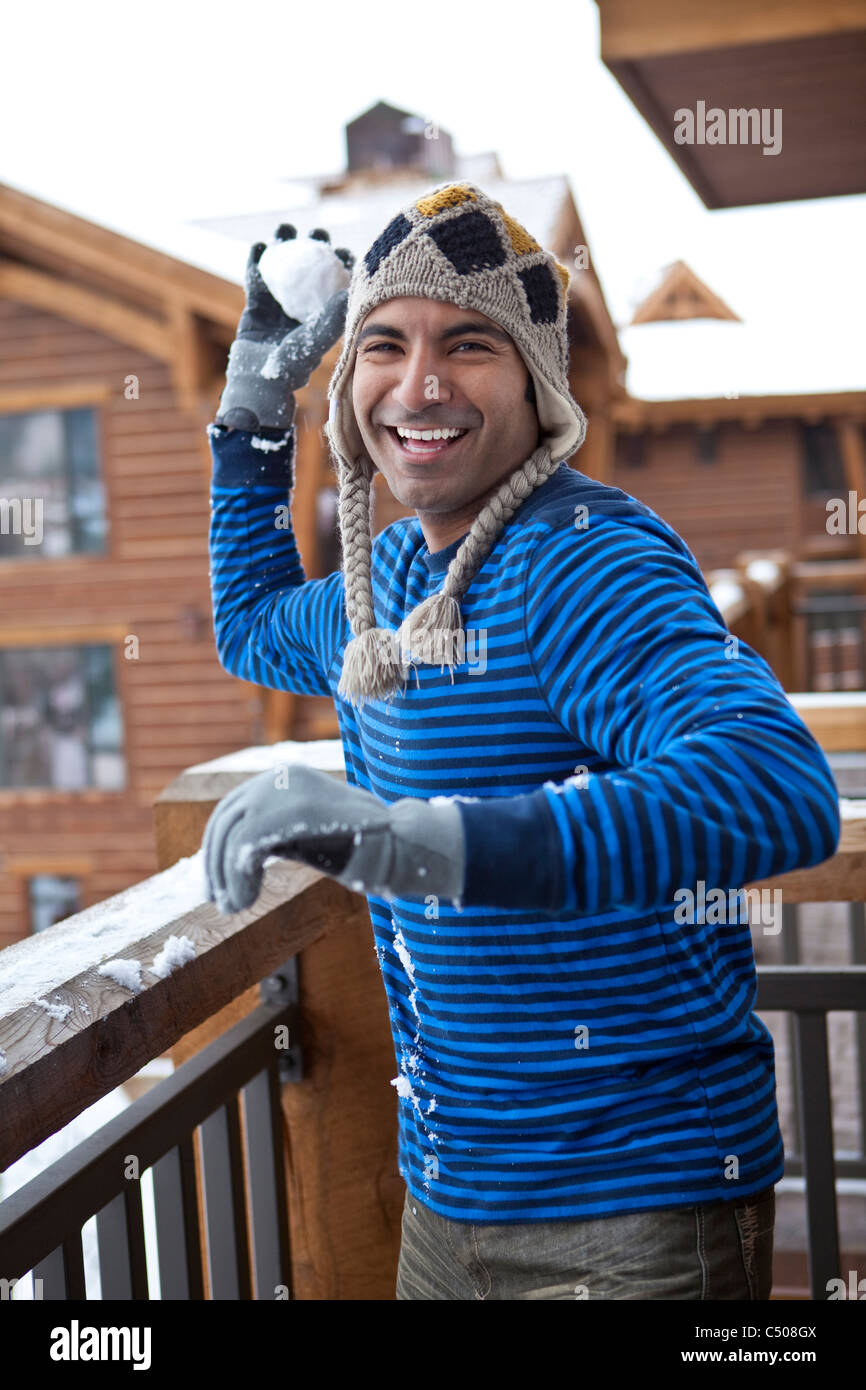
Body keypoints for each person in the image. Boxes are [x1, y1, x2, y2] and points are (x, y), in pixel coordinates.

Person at [203, 182, 841, 1300]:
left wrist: (417, 841)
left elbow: (774, 782)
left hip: (629, 1207)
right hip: (452, 1198)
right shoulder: (385, 584)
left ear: (539, 387)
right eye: (383, 346)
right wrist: (257, 403)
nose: (420, 384)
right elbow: (252, 623)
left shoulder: (581, 561)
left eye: (469, 345)